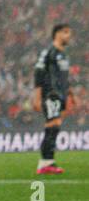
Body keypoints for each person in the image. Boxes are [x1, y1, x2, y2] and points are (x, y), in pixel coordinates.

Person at [33, 24, 73, 176]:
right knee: (53, 124)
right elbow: (38, 72)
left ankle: (48, 162)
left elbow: (63, 77)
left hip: (60, 95)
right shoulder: (49, 52)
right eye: (65, 32)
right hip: (51, 94)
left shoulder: (63, 55)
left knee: (55, 125)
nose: (69, 36)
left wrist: (70, 94)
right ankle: (45, 162)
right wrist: (37, 97)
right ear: (57, 34)